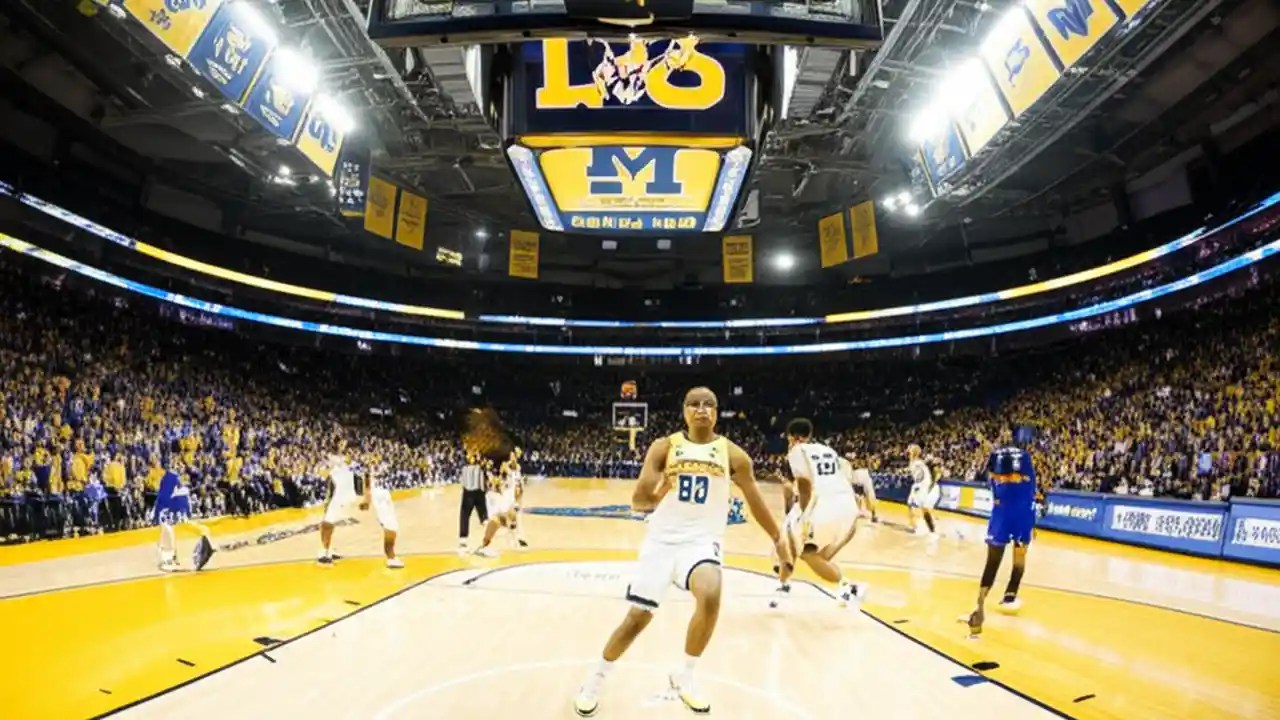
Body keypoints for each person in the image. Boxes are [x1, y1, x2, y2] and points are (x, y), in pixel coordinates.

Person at [573, 387, 792, 717]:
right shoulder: (664, 447)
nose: (702, 409)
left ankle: (685, 676)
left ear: (717, 412)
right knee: (637, 619)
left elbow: (755, 501)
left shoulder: (734, 456)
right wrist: (664, 488)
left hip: (701, 542)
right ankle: (595, 681)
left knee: (712, 591)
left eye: (709, 404)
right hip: (662, 541)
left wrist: (778, 538)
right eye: (694, 404)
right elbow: (639, 501)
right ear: (684, 411)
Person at [774, 419, 866, 609]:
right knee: (818, 556)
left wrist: (805, 516)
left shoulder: (797, 451)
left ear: (794, 437)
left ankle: (850, 588)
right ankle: (785, 585)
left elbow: (805, 486)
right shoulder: (827, 450)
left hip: (825, 505)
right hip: (847, 504)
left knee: (806, 553)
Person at [966, 431, 1038, 637]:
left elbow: (1019, 482)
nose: (1000, 477)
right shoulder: (1005, 473)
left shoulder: (1021, 470)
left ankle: (1010, 594)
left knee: (1018, 557)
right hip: (1006, 515)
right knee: (994, 560)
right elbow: (1003, 478)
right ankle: (980, 603)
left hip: (1020, 515)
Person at [153, 459, 214, 572]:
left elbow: (163, 499)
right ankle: (203, 534)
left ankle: (170, 560)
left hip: (175, 508)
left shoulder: (168, 478)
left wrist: (156, 514)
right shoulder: (174, 478)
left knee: (169, 529)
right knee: (173, 527)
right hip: (180, 507)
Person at [474, 451, 521, 558]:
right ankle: (485, 545)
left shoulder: (515, 470)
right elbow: (492, 482)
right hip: (496, 496)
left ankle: (512, 540)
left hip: (505, 496)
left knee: (504, 518)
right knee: (497, 519)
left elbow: (517, 488)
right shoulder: (498, 468)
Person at [457, 453, 489, 555]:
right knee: (466, 516)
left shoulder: (479, 465)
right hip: (471, 492)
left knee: (483, 519)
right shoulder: (467, 465)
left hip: (475, 492)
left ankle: (486, 542)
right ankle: (463, 543)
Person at [906, 444, 939, 536]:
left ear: (914, 452)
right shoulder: (918, 462)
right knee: (924, 508)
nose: (908, 452)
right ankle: (931, 529)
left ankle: (914, 527)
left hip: (920, 485)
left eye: (910, 450)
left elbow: (923, 469)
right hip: (924, 485)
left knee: (911, 504)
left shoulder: (916, 462)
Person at [843, 450, 878, 523]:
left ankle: (873, 514)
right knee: (858, 496)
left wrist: (869, 461)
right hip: (857, 476)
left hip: (863, 475)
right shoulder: (850, 461)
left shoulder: (865, 461)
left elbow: (873, 467)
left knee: (869, 496)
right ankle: (858, 513)